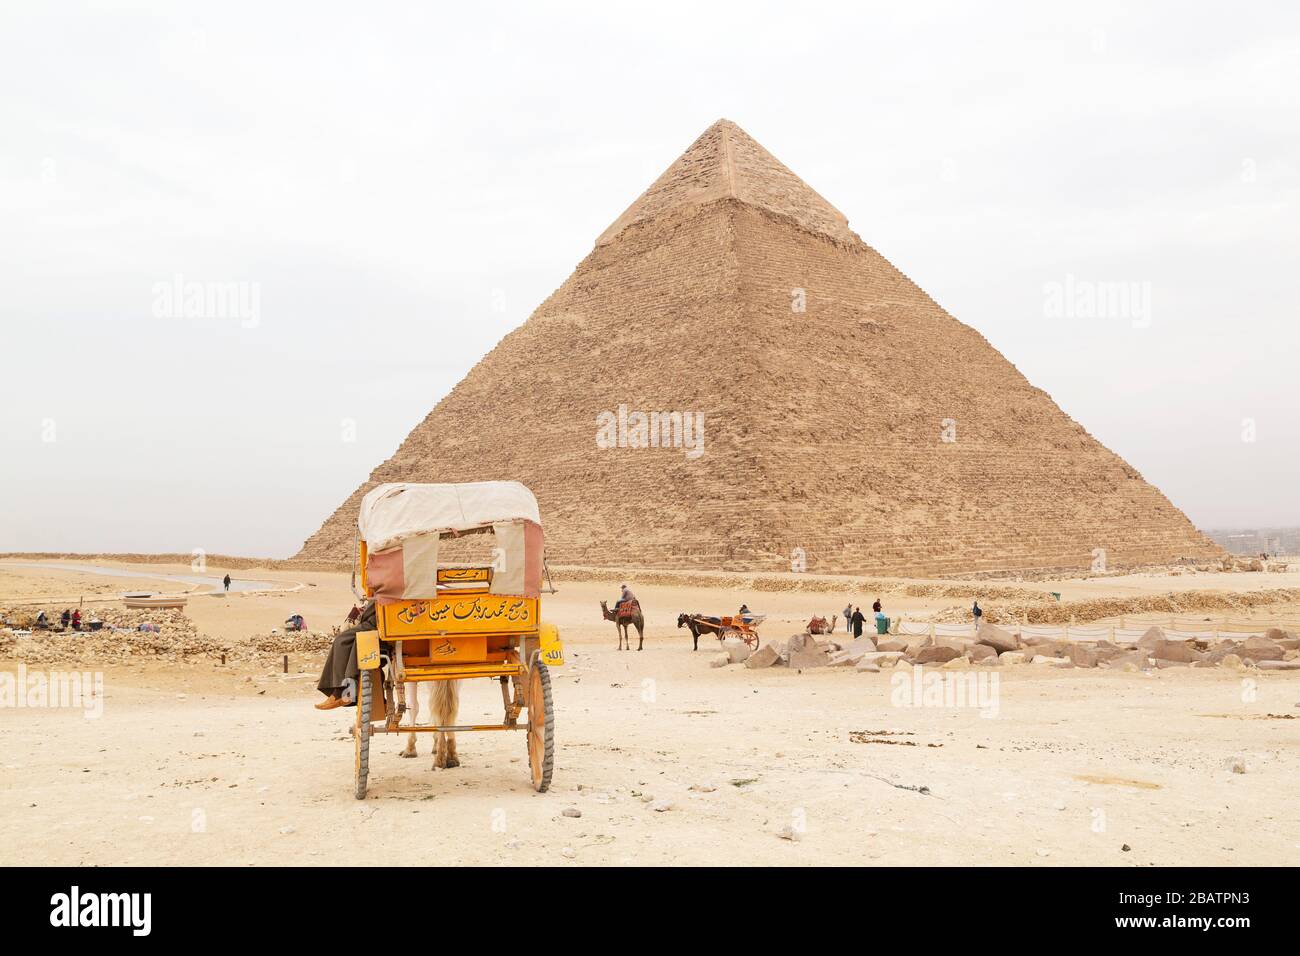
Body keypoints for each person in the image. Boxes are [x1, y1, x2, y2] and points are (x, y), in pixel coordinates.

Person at [317, 601, 382, 714]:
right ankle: (345, 690)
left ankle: (341, 691)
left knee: (341, 640)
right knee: (356, 642)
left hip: (379, 622)